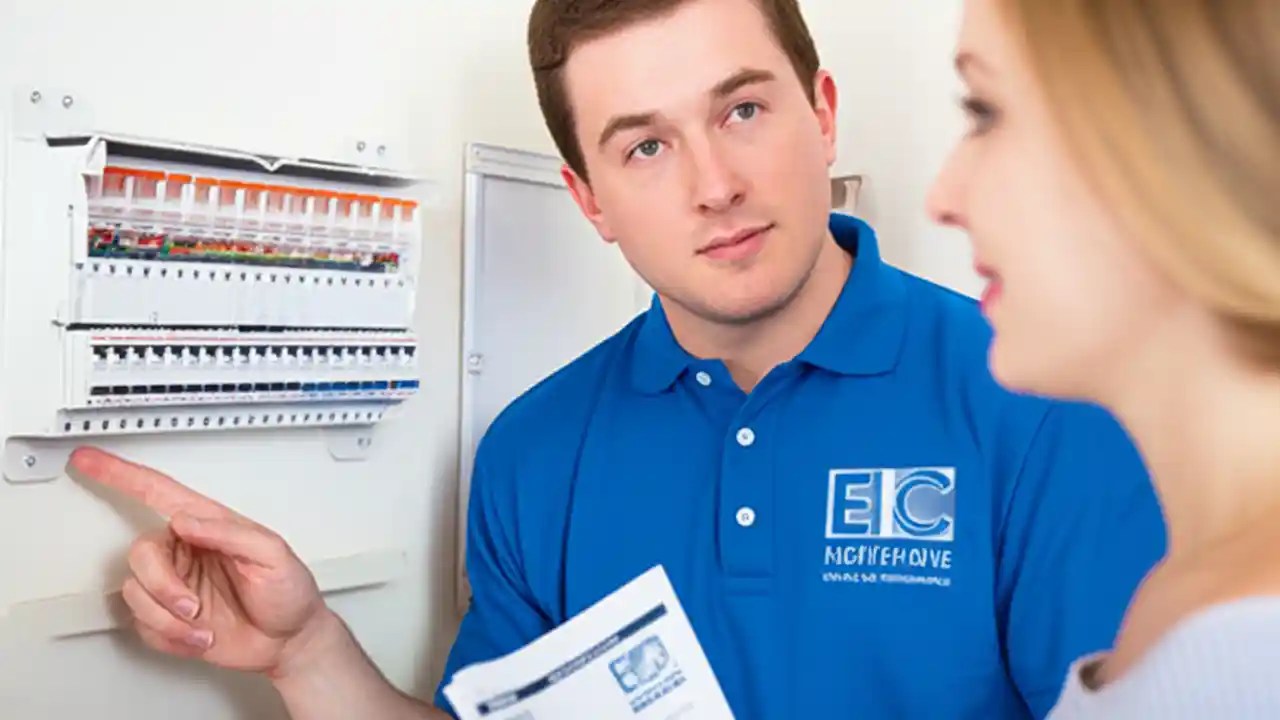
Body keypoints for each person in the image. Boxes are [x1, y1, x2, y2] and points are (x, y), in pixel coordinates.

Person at [68, 0, 1166, 718]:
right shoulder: (535, 452)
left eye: (741, 109)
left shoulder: (1039, 395)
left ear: (821, 114)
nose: (713, 183)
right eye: (645, 144)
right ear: (589, 199)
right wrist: (303, 652)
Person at [928, 0, 1280, 716]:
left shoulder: (1254, 652)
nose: (942, 198)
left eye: (985, 111)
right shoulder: (1189, 601)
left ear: (1171, 135)